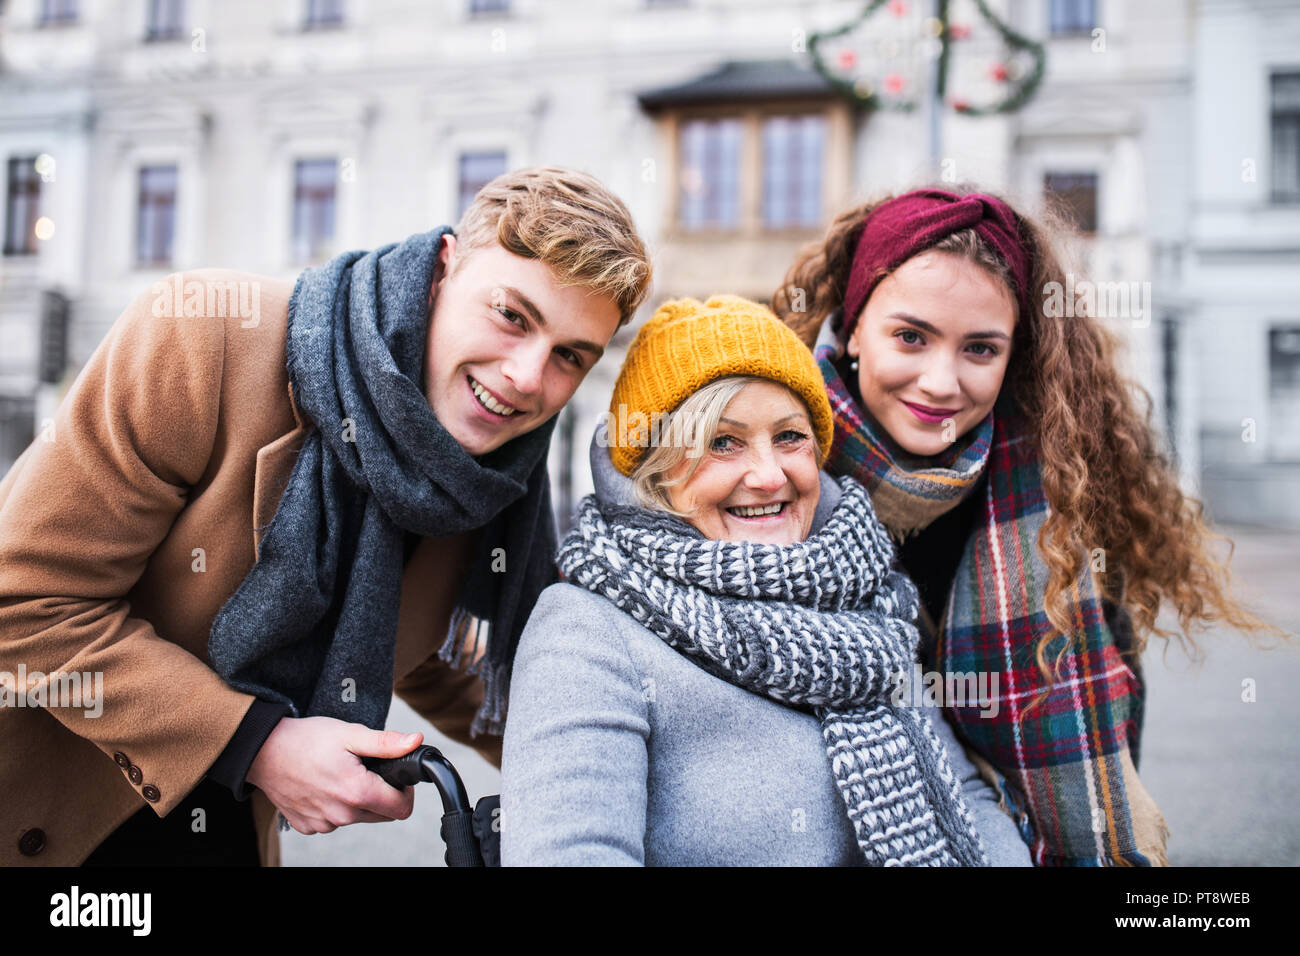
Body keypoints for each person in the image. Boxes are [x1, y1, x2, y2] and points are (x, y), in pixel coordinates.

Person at [0, 166, 652, 866]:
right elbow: (27, 603)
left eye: (568, 357)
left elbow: (420, 654)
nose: (526, 377)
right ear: (443, 269)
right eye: (512, 316)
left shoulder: (484, 473)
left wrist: (630, 762)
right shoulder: (200, 335)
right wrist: (258, 745)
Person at [770, 185, 1280, 866]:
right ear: (855, 325)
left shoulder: (1062, 500)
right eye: (911, 337)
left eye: (979, 349)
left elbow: (1106, 742)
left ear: (1014, 354)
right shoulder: (767, 465)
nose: (940, 381)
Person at [499, 295, 1032, 866]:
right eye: (721, 443)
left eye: (789, 437)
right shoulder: (587, 630)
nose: (768, 474)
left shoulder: (864, 601)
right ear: (655, 469)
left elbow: (966, 798)